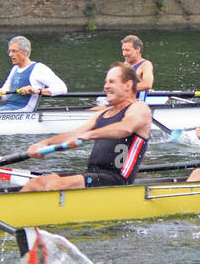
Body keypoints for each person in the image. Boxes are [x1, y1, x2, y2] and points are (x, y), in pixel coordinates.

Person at [20, 63, 151, 191]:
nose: (106, 87)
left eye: (111, 82)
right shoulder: (102, 114)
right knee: (35, 183)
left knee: (56, 185)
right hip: (94, 174)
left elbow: (125, 128)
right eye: (106, 82)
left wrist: (88, 135)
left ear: (127, 85)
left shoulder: (139, 108)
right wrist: (43, 144)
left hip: (118, 179)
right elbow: (73, 135)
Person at [0, 36, 66, 112]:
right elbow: (5, 95)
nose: (10, 54)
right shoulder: (15, 69)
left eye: (14, 51)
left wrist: (36, 91)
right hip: (7, 107)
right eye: (9, 51)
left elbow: (62, 88)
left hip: (24, 110)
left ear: (25, 52)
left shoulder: (38, 68)